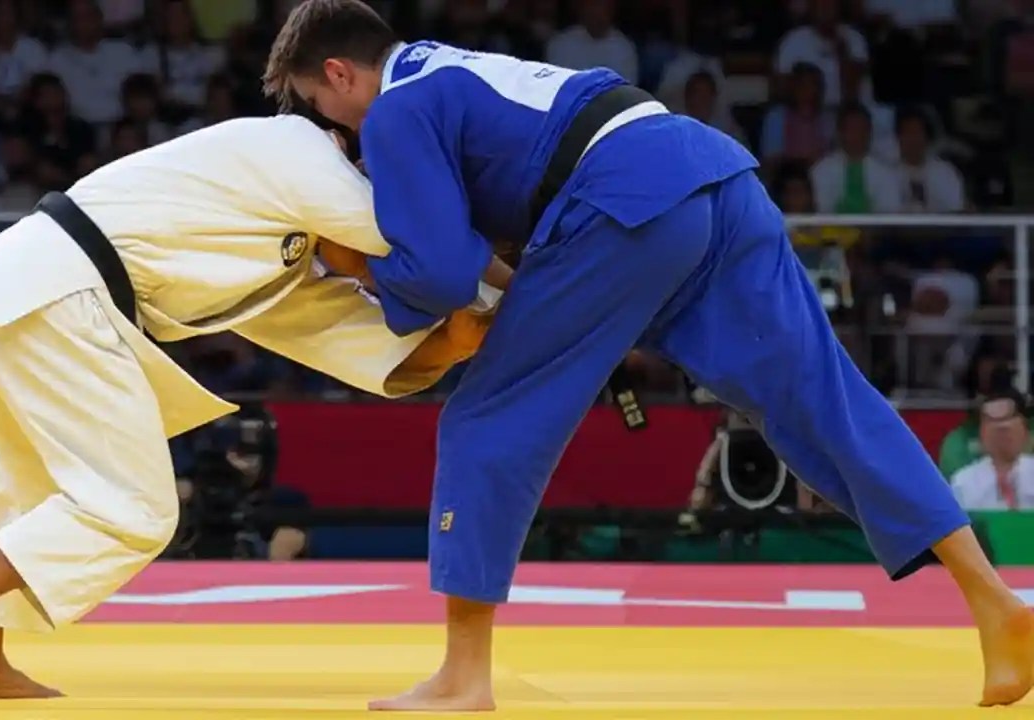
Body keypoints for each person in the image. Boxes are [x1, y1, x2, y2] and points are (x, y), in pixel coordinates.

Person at [263, 0, 1034, 711]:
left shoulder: (397, 108)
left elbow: (437, 273)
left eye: (319, 103)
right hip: (706, 171)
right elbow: (494, 263)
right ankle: (995, 602)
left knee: (485, 418)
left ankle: (464, 675)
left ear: (339, 72)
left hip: (619, 202)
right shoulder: (449, 69)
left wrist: (356, 264)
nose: (333, 125)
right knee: (825, 396)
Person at [0, 112, 506, 710]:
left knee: (32, 479)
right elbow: (427, 245)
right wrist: (515, 283)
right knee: (135, 509)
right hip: (55, 290)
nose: (377, 278)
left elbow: (384, 358)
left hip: (9, 292)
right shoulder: (301, 149)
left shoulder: (287, 270)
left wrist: (454, 342)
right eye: (383, 268)